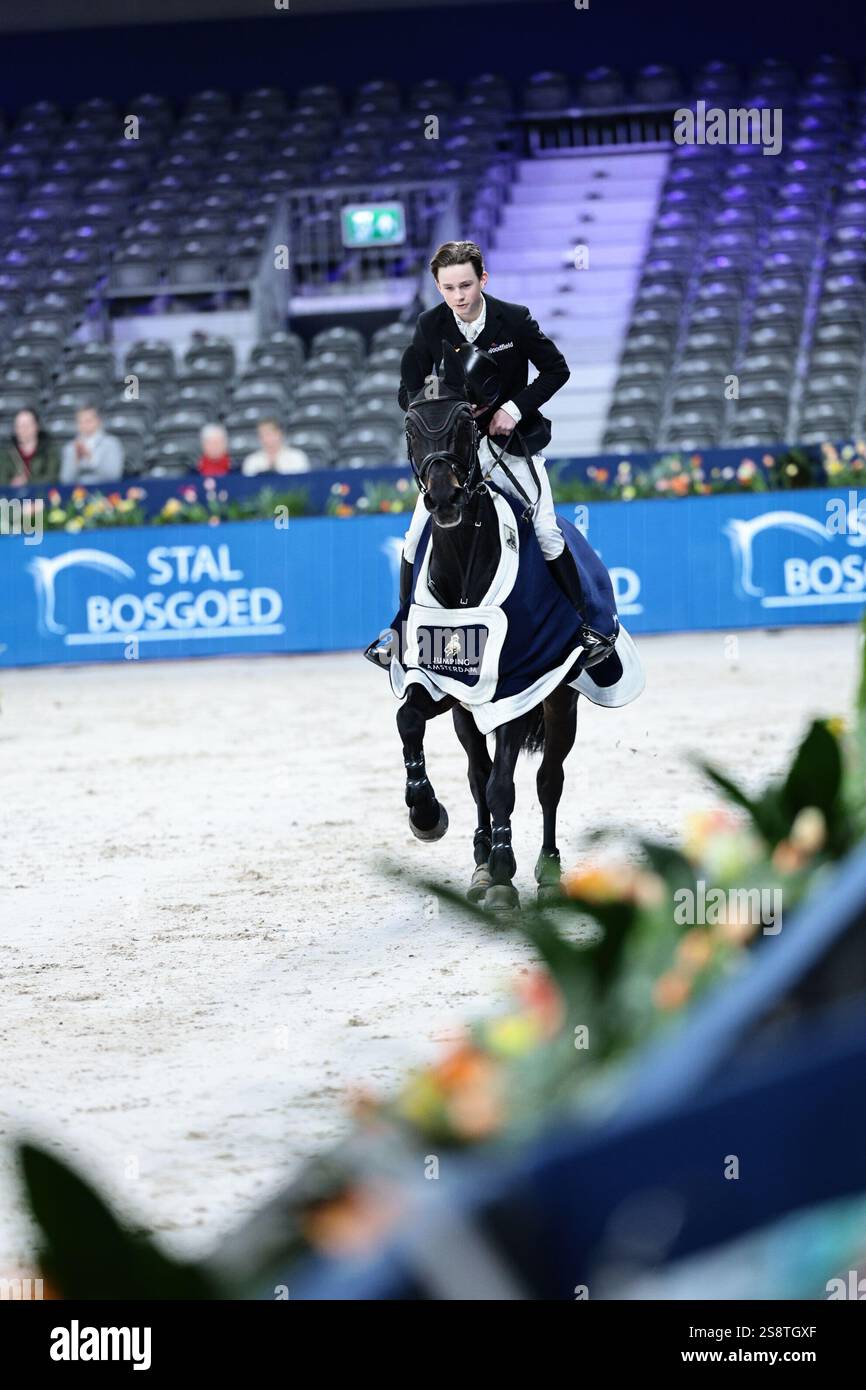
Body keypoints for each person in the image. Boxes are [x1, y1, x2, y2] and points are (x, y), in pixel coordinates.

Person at [393, 240, 611, 663]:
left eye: (466, 285)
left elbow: (556, 370)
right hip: (459, 456)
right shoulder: (430, 325)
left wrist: (513, 408)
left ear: (483, 280)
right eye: (449, 288)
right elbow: (409, 391)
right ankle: (401, 634)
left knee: (546, 531)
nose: (459, 297)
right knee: (414, 536)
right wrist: (443, 409)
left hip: (513, 445)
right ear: (438, 287)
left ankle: (583, 627)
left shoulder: (514, 319)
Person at [59, 405, 124, 485]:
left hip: (105, 492)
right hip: (77, 493)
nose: (84, 425)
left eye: (88, 421)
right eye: (80, 422)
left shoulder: (111, 444)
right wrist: (76, 461)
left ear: (98, 421)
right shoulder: (70, 447)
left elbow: (114, 476)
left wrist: (90, 458)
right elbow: (65, 479)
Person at [0, 408, 60, 486]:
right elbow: (2, 480)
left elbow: (52, 478)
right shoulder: (6, 454)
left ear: (36, 426)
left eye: (26, 425)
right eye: (19, 426)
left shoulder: (49, 452)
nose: (22, 430)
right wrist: (12, 484)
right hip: (12, 497)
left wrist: (28, 482)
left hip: (41, 496)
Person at [241, 418, 309, 476]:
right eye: (261, 435)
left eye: (268, 434)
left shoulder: (297, 457)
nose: (265, 439)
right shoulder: (251, 460)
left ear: (279, 434)